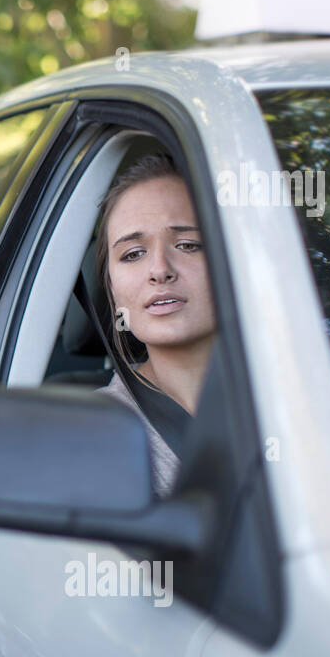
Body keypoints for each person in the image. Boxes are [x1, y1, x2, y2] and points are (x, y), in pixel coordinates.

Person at [91, 153, 217, 498]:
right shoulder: (92, 434)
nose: (159, 269)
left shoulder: (305, 398)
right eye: (133, 254)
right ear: (112, 290)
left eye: (189, 245)